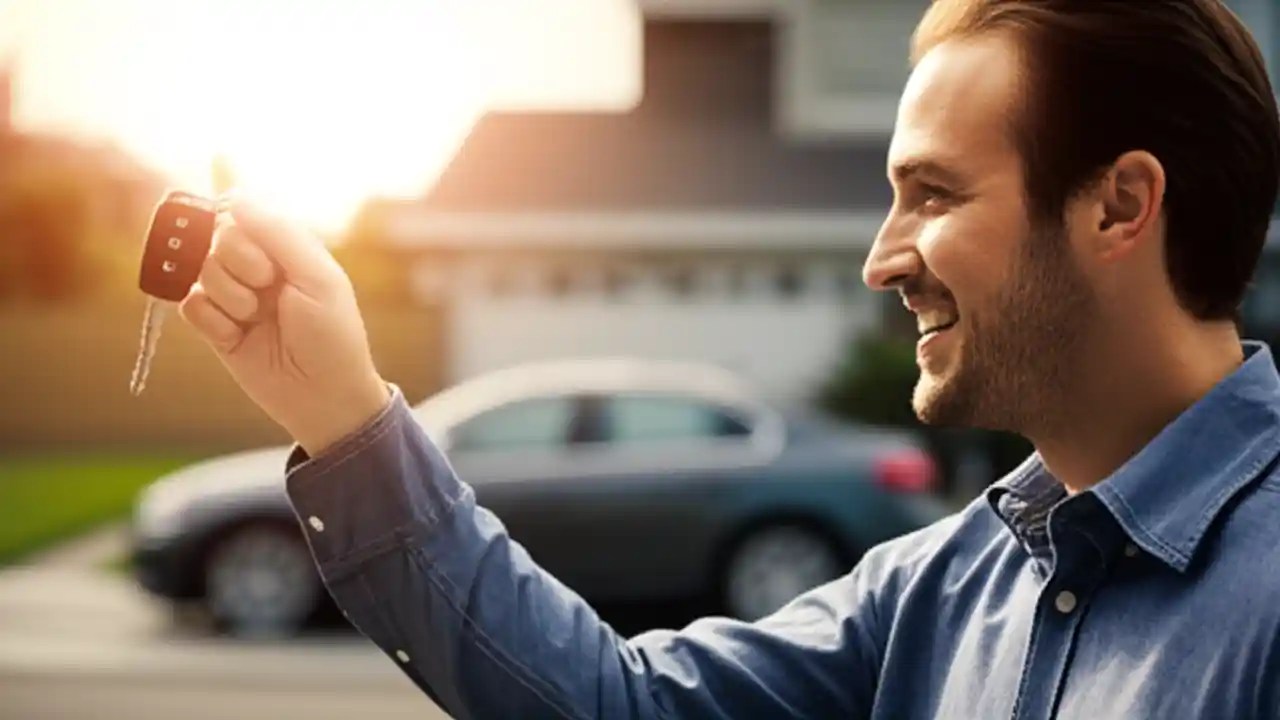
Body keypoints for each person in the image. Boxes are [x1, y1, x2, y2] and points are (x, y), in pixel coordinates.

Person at [180, 0, 1280, 717]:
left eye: (934, 195)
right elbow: (619, 705)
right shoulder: (939, 594)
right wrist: (343, 414)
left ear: (1117, 207)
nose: (881, 260)